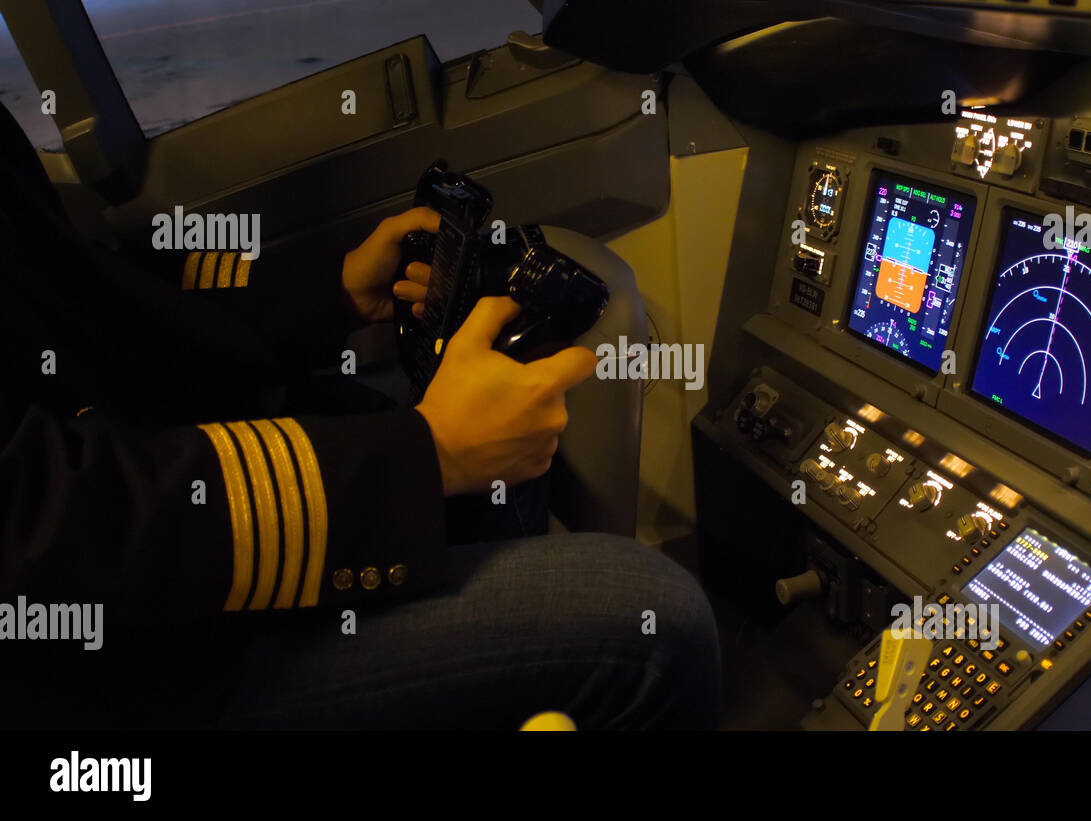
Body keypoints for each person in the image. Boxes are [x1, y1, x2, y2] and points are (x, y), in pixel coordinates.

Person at [0, 102, 721, 730]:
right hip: (97, 670)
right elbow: (38, 523)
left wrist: (329, 290)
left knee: (425, 434)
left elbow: (87, 290)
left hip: (141, 503)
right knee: (655, 621)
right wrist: (423, 455)